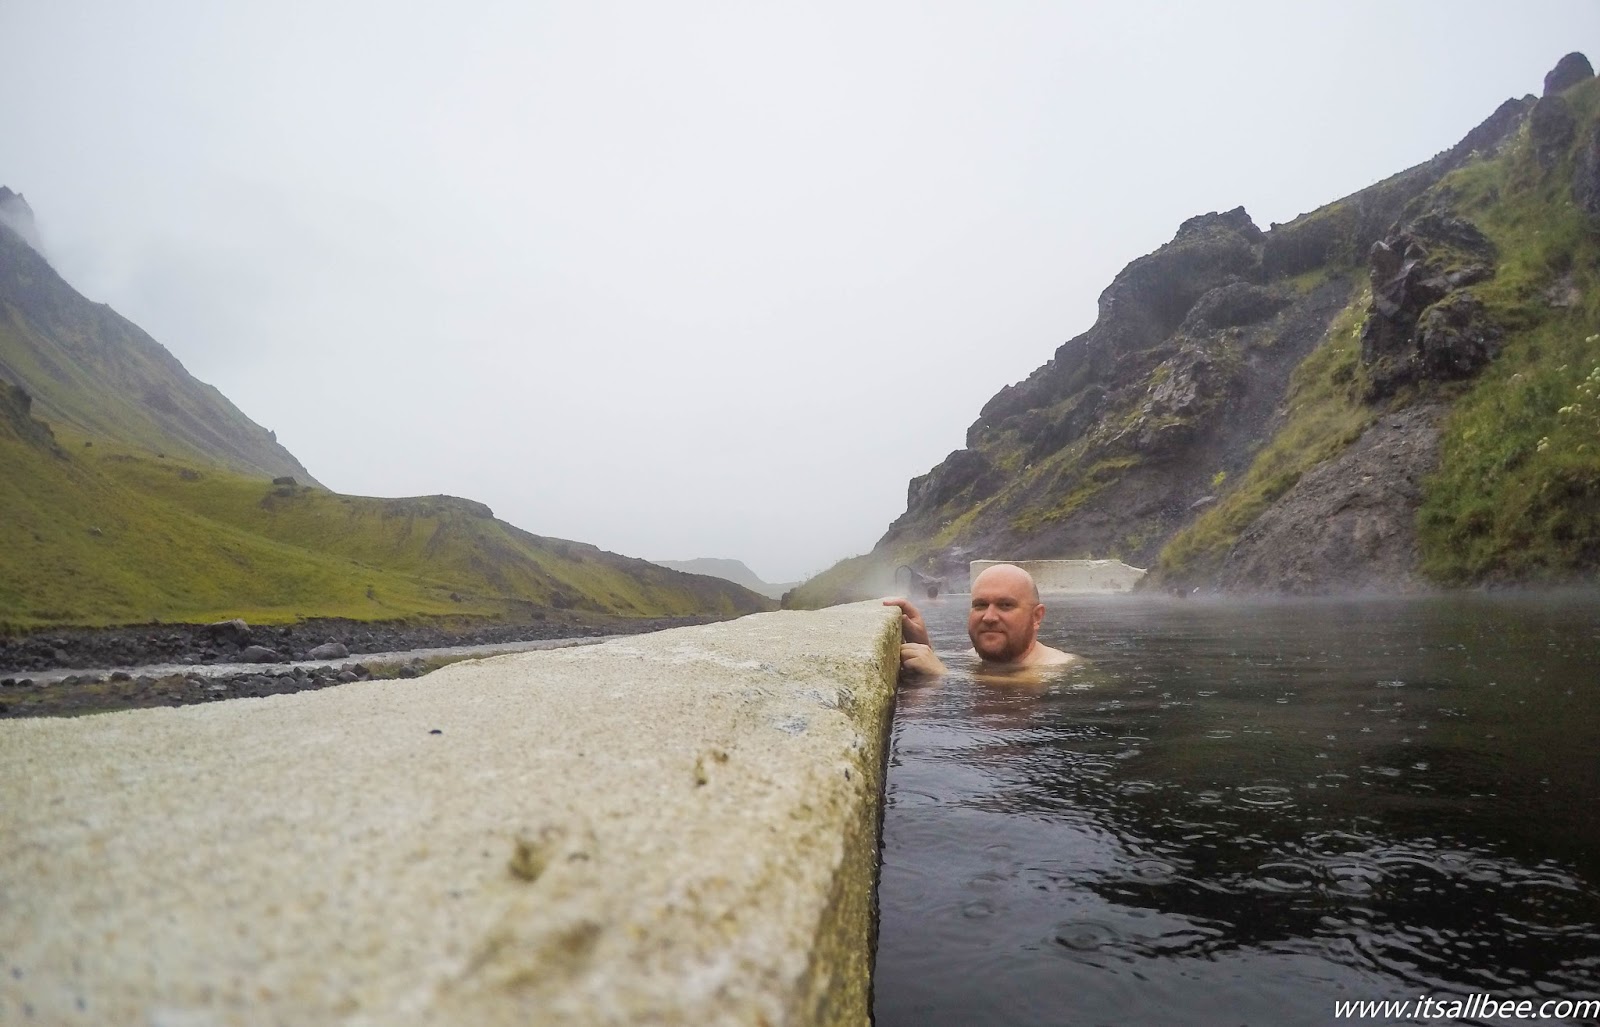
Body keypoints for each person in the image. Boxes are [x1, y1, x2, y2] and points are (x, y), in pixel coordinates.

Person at [884, 562, 1078, 676]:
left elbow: (1025, 683)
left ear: (1037, 617)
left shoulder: (1060, 668)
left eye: (1005, 605)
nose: (989, 617)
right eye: (980, 605)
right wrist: (923, 645)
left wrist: (943, 677)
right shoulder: (971, 656)